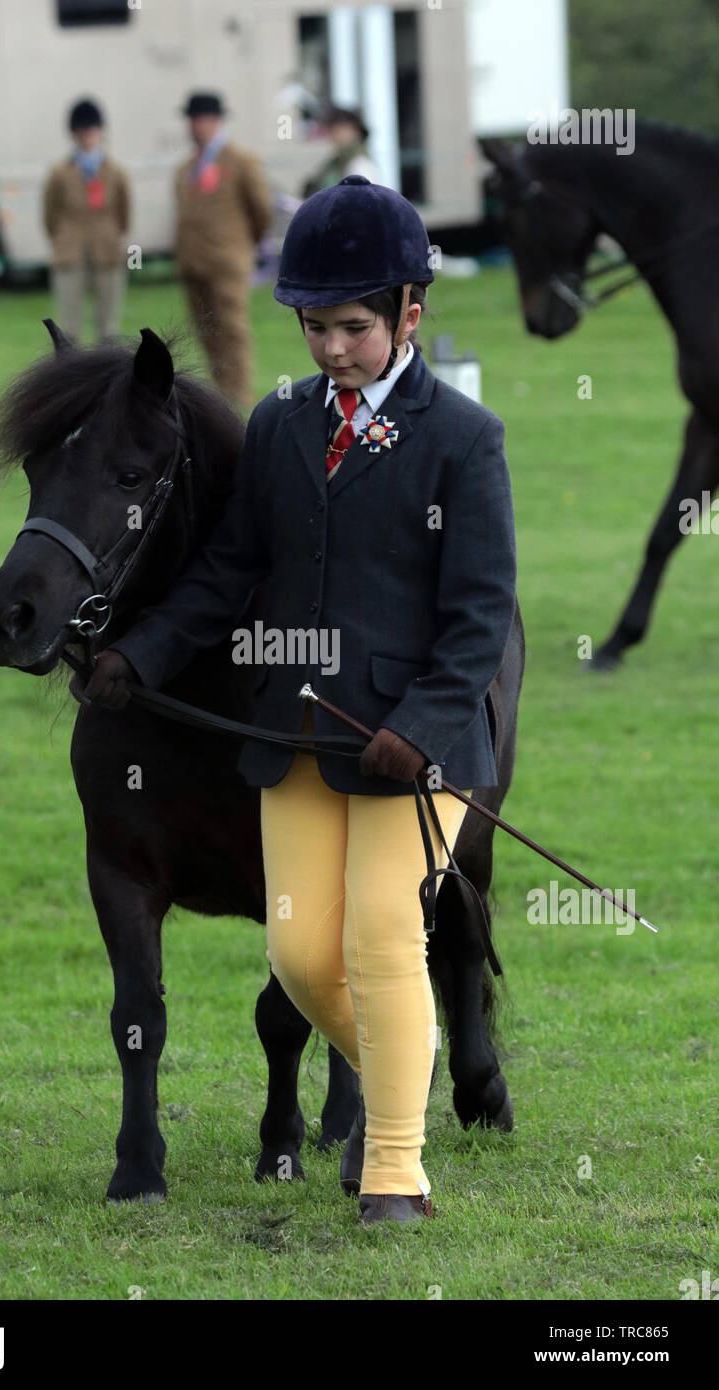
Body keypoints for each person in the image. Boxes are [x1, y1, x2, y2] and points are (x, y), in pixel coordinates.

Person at [73, 175, 517, 1227]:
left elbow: (480, 614)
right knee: (301, 954)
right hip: (297, 737)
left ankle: (394, 1175)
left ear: (410, 311)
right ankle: (412, 1062)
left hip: (418, 745)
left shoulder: (463, 437)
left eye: (352, 327)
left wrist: (418, 725)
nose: (329, 347)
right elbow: (228, 572)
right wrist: (137, 653)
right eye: (313, 326)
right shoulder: (277, 426)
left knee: (374, 937)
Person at [174, 92, 271, 408]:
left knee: (232, 333)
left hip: (226, 263)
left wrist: (242, 247)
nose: (196, 126)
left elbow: (261, 211)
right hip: (193, 263)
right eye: (192, 119)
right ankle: (220, 398)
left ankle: (240, 398)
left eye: (202, 119)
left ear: (216, 121)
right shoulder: (186, 167)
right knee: (207, 334)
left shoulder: (240, 162)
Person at [43, 98, 131, 344]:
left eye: (92, 131)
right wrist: (63, 239)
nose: (88, 137)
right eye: (83, 132)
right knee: (69, 327)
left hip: (107, 250)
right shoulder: (60, 174)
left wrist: (111, 235)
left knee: (108, 327)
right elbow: (50, 214)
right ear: (74, 135)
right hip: (70, 250)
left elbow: (124, 214)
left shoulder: (115, 173)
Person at [302, 107, 380, 198]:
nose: (332, 135)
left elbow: (361, 202)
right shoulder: (337, 161)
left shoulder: (360, 163)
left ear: (352, 129)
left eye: (336, 129)